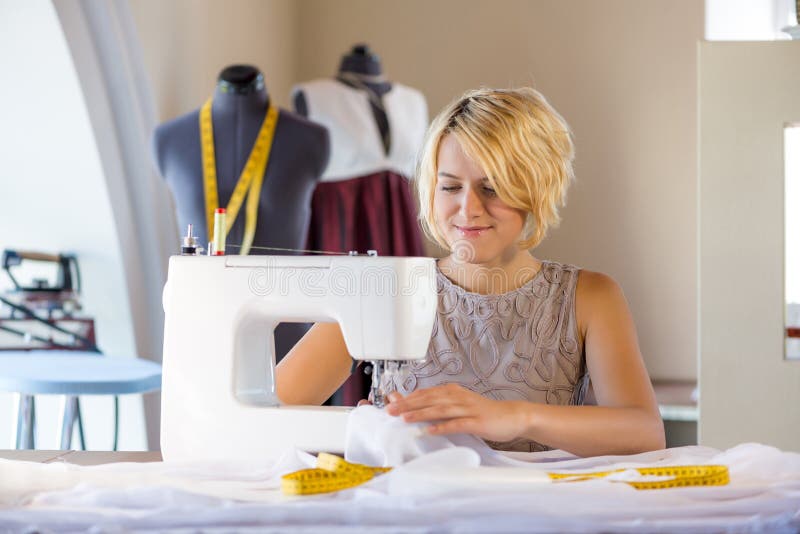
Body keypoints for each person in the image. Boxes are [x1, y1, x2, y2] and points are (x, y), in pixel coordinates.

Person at [276, 87, 665, 457]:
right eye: (450, 188)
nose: (468, 209)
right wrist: (360, 427)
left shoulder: (591, 298)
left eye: (491, 188)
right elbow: (271, 416)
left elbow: (645, 434)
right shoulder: (384, 292)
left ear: (536, 188)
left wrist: (516, 417)